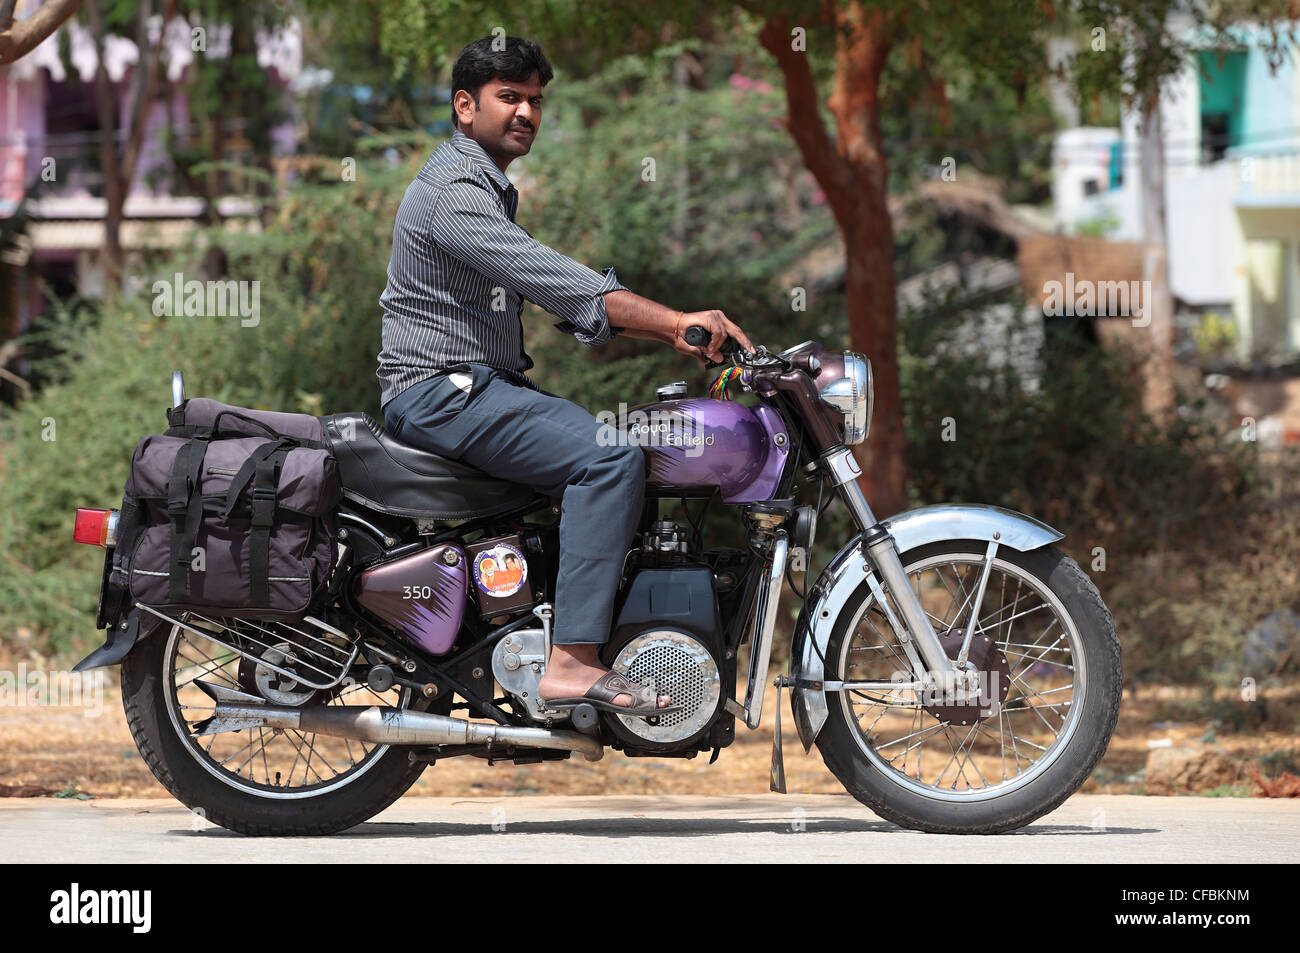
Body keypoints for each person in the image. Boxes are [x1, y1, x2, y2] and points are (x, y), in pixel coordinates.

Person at [376, 36, 751, 714]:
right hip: (443, 391)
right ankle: (573, 663)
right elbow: (556, 280)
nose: (526, 112)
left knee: (618, 448)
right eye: (509, 97)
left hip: (468, 388)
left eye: (536, 100)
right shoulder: (455, 194)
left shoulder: (479, 184)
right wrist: (675, 324)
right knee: (608, 459)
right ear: (465, 106)